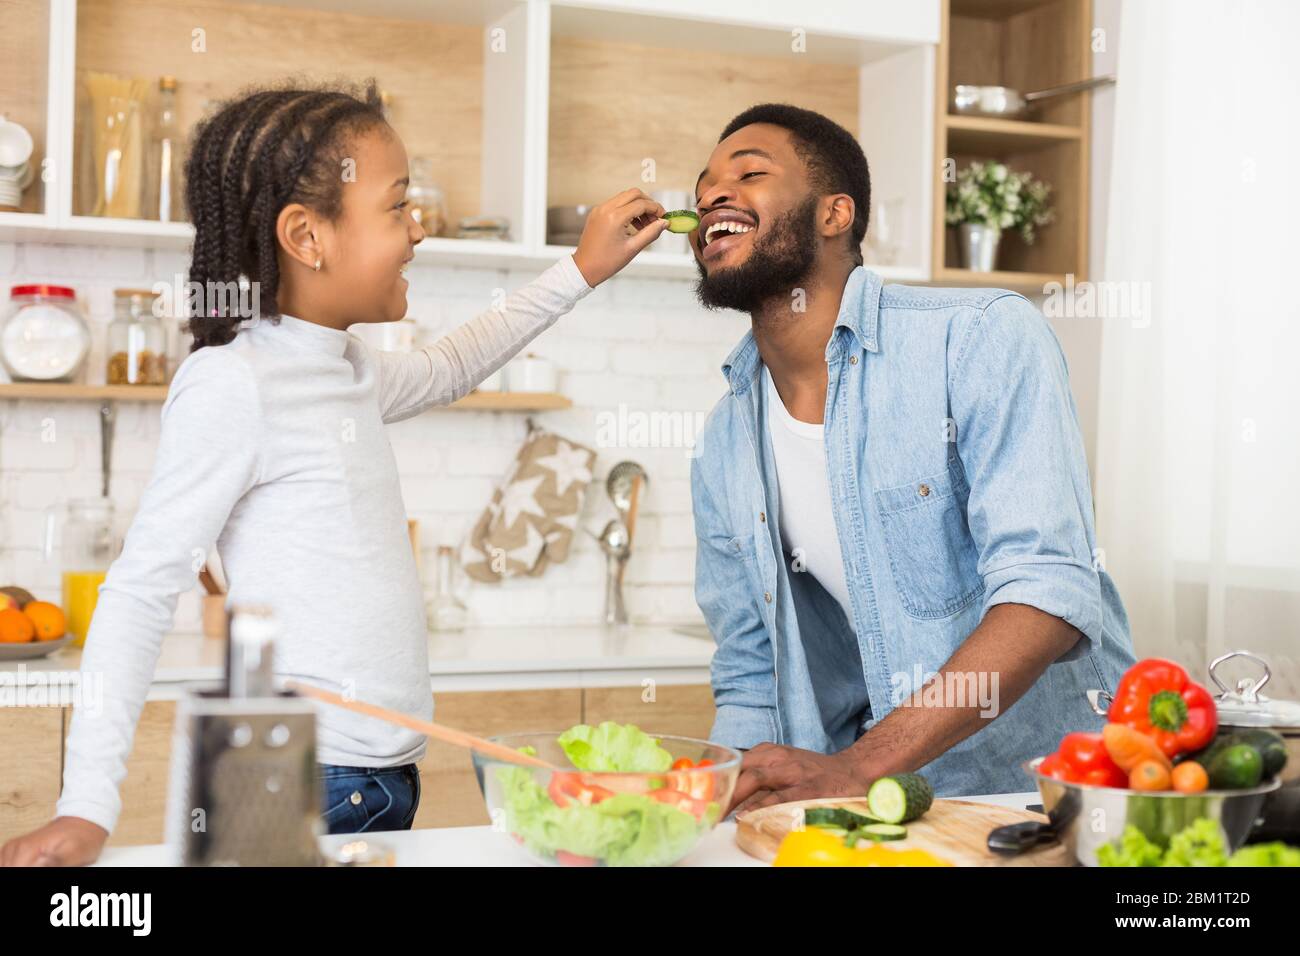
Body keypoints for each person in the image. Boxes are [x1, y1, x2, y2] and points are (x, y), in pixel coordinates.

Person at [0, 80, 668, 866]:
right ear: (306, 236)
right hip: (307, 781)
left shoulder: (342, 366)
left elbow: (451, 364)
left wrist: (581, 270)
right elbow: (141, 591)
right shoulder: (236, 383)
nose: (417, 230)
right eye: (396, 206)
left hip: (381, 779)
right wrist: (87, 807)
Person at [685, 104, 1137, 816]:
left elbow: (1047, 596)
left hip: (1056, 794)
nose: (712, 194)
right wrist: (724, 805)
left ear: (836, 214)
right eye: (703, 186)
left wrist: (858, 768)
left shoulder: (980, 339)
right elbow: (751, 671)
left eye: (748, 173)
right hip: (892, 811)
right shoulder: (723, 440)